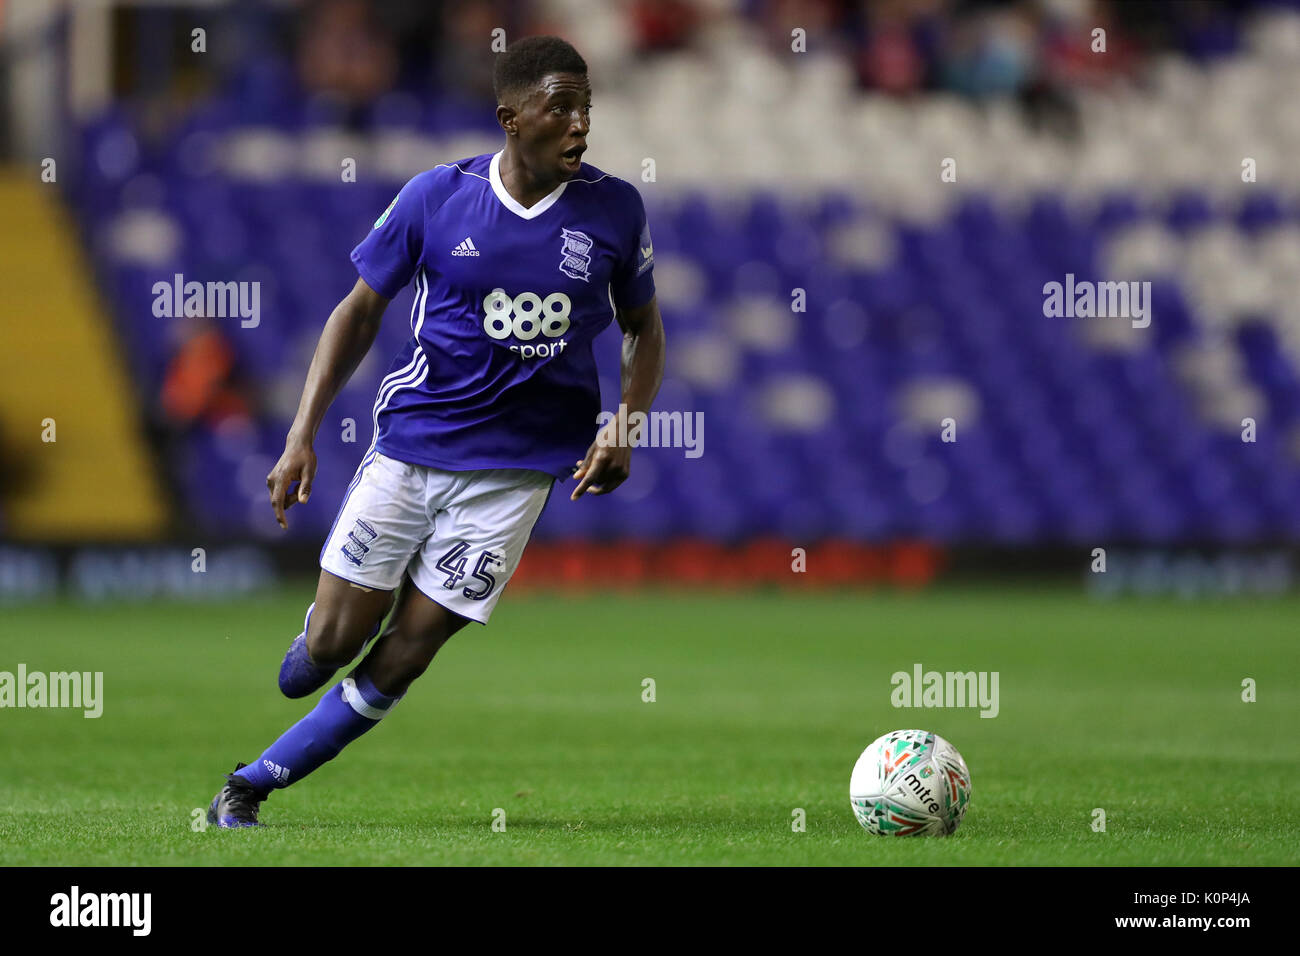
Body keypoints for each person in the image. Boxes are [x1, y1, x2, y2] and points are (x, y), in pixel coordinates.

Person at [207, 35, 664, 827]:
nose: (581, 125)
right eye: (561, 108)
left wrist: (625, 422)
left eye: (587, 107)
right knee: (328, 649)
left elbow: (645, 330)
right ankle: (316, 641)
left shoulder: (616, 208)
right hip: (413, 452)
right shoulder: (435, 197)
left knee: (408, 652)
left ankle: (248, 786)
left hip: (516, 477)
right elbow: (357, 311)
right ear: (511, 118)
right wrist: (300, 435)